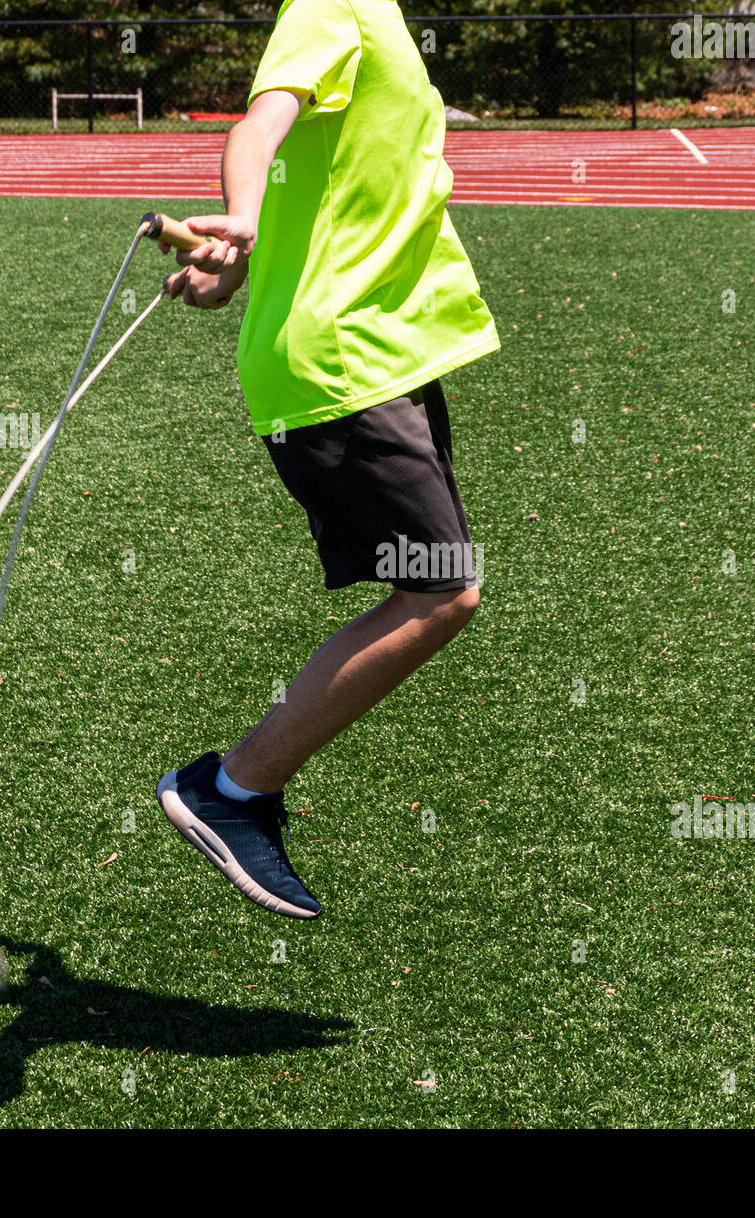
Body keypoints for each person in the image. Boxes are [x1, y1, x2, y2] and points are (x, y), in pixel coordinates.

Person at [154, 0, 499, 919]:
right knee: (441, 591)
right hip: (342, 365)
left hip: (386, 356)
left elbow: (314, 178)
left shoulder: (371, 16)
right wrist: (237, 211)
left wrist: (228, 267)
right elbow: (260, 123)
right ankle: (230, 793)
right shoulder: (330, 5)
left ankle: (236, 792)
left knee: (437, 585)